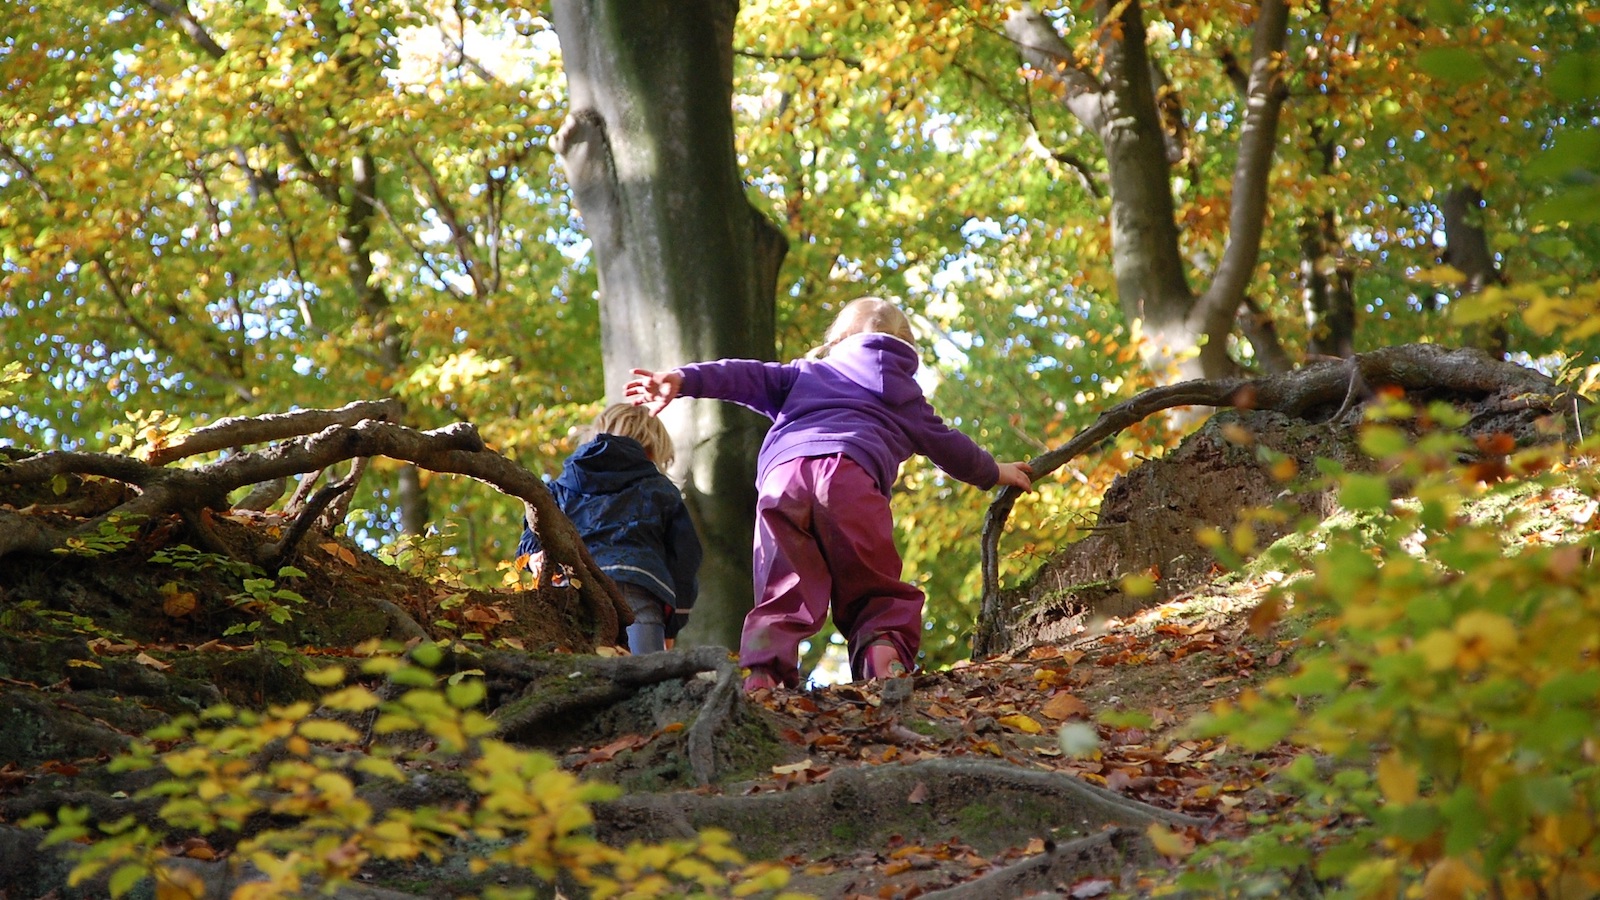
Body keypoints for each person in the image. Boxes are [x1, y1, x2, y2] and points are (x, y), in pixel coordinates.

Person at [625, 297, 1033, 690]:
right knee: (873, 587)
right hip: (851, 478)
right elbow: (950, 447)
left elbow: (743, 376)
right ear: (907, 347)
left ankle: (764, 674)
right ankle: (882, 658)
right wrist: (995, 471)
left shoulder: (805, 374)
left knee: (782, 589)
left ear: (836, 340)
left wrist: (683, 379)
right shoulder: (905, 396)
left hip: (783, 480)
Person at [517, 403, 701, 655]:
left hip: (574, 585)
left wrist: (534, 558)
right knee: (644, 672)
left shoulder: (561, 487)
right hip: (637, 587)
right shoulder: (660, 488)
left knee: (576, 669)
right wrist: (674, 623)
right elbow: (685, 557)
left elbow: (532, 533)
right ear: (651, 450)